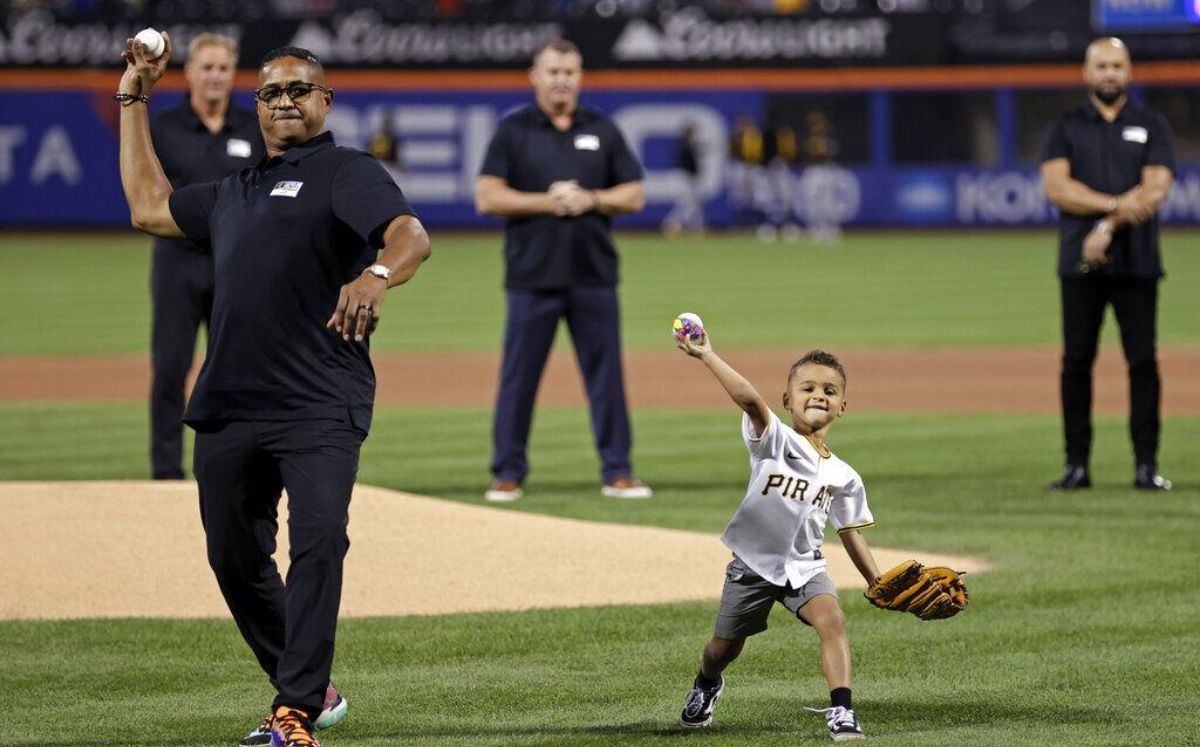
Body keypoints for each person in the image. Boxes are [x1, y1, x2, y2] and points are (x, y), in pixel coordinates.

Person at [118, 36, 431, 747]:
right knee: (232, 554)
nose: (286, 101)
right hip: (230, 402)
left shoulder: (345, 172)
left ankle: (292, 711)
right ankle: (313, 687)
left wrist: (377, 275)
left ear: (325, 101)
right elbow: (147, 205)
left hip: (320, 402)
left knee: (319, 540)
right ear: (254, 106)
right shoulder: (234, 193)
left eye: (299, 90)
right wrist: (133, 95)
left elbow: (410, 234)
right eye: (272, 93)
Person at [673, 327, 880, 742]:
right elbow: (750, 399)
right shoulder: (773, 439)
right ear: (786, 401)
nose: (819, 395)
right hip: (752, 566)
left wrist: (876, 580)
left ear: (843, 407)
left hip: (805, 567)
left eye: (830, 390)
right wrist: (708, 355)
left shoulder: (845, 476)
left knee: (833, 621)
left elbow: (850, 531)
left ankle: (842, 710)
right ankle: (707, 682)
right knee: (723, 648)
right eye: (807, 388)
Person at [475, 39, 651, 502]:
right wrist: (548, 201)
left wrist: (590, 198)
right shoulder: (513, 130)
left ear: (580, 77)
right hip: (531, 277)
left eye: (569, 72)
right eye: (552, 71)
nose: (561, 80)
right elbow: (488, 196)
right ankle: (507, 472)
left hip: (593, 275)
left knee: (606, 378)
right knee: (519, 378)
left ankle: (618, 471)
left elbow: (634, 194)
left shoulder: (602, 128)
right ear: (535, 76)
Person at [1040, 36, 1175, 492]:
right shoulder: (1066, 125)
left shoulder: (1151, 124)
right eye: (1102, 65)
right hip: (1080, 263)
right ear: (1087, 73)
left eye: (1117, 65)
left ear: (1129, 71)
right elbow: (1058, 188)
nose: (1110, 73)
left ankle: (1146, 466)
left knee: (1142, 362)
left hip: (1137, 262)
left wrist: (1105, 226)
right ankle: (1076, 466)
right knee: (1077, 362)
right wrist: (1118, 205)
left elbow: (1156, 191)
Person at [147, 33, 264, 480]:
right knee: (171, 368)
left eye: (223, 68)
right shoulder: (166, 126)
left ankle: (232, 468)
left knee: (236, 370)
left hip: (236, 265)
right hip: (177, 262)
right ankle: (165, 473)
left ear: (233, 74)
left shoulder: (253, 126)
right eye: (207, 67)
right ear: (190, 72)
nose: (215, 76)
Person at [661, 121, 705, 237]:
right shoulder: (686, 144)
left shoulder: (688, 143)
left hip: (688, 177)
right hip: (685, 177)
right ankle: (672, 225)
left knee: (691, 205)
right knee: (688, 204)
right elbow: (690, 163)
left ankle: (695, 228)